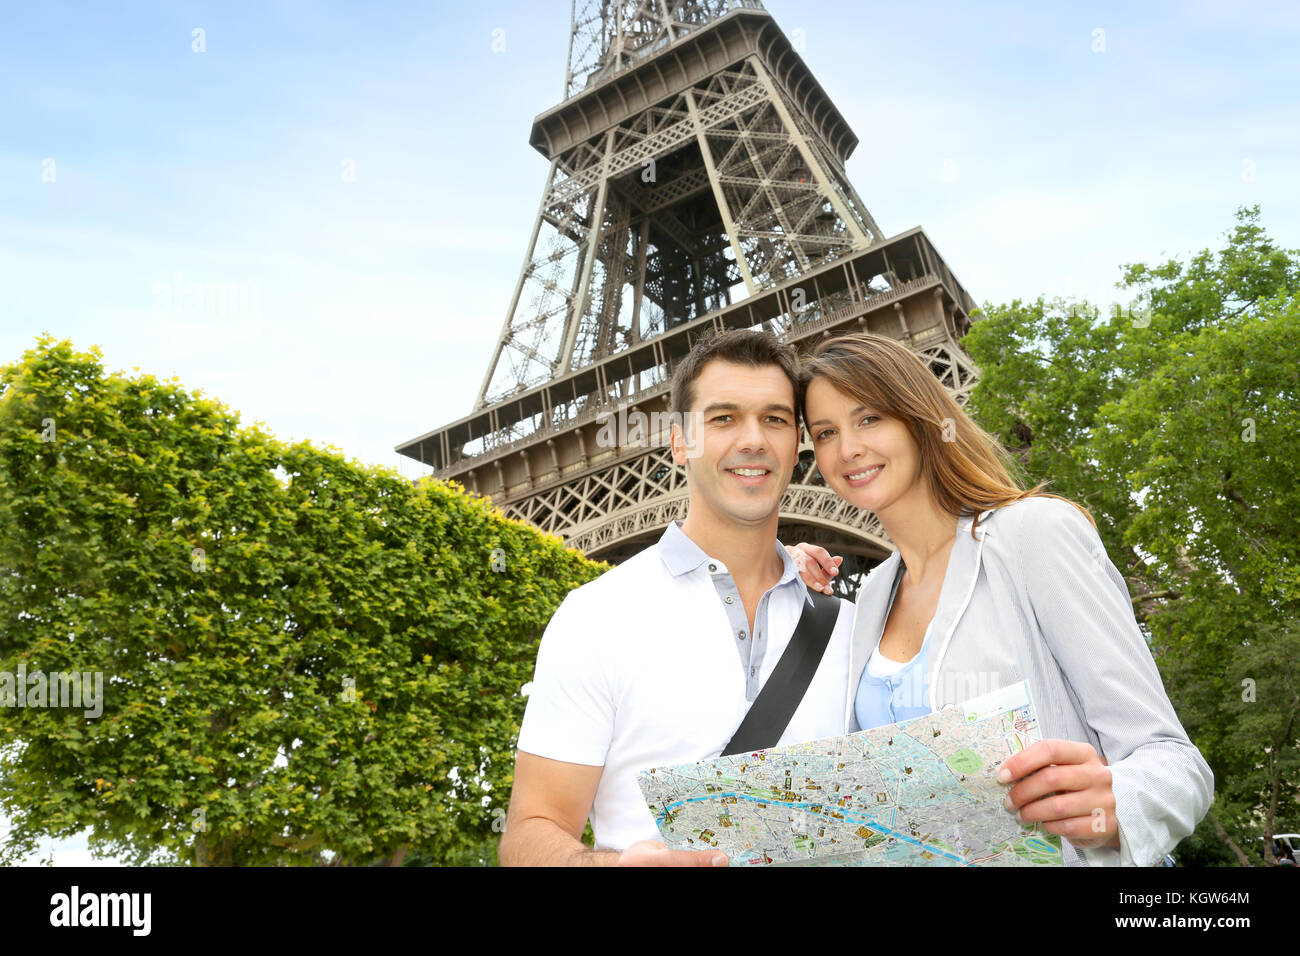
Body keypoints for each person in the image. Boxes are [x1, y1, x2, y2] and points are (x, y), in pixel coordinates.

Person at [787, 332, 1214, 866]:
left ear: (920, 419)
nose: (848, 448)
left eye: (869, 418)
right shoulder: (869, 598)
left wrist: (1115, 805)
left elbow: (1173, 762)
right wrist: (779, 584)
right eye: (825, 432)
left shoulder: (1033, 535)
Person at [498, 329, 855, 866]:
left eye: (775, 419)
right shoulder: (594, 618)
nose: (753, 439)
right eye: (723, 418)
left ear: (796, 441)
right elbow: (529, 835)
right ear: (679, 441)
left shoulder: (851, 628)